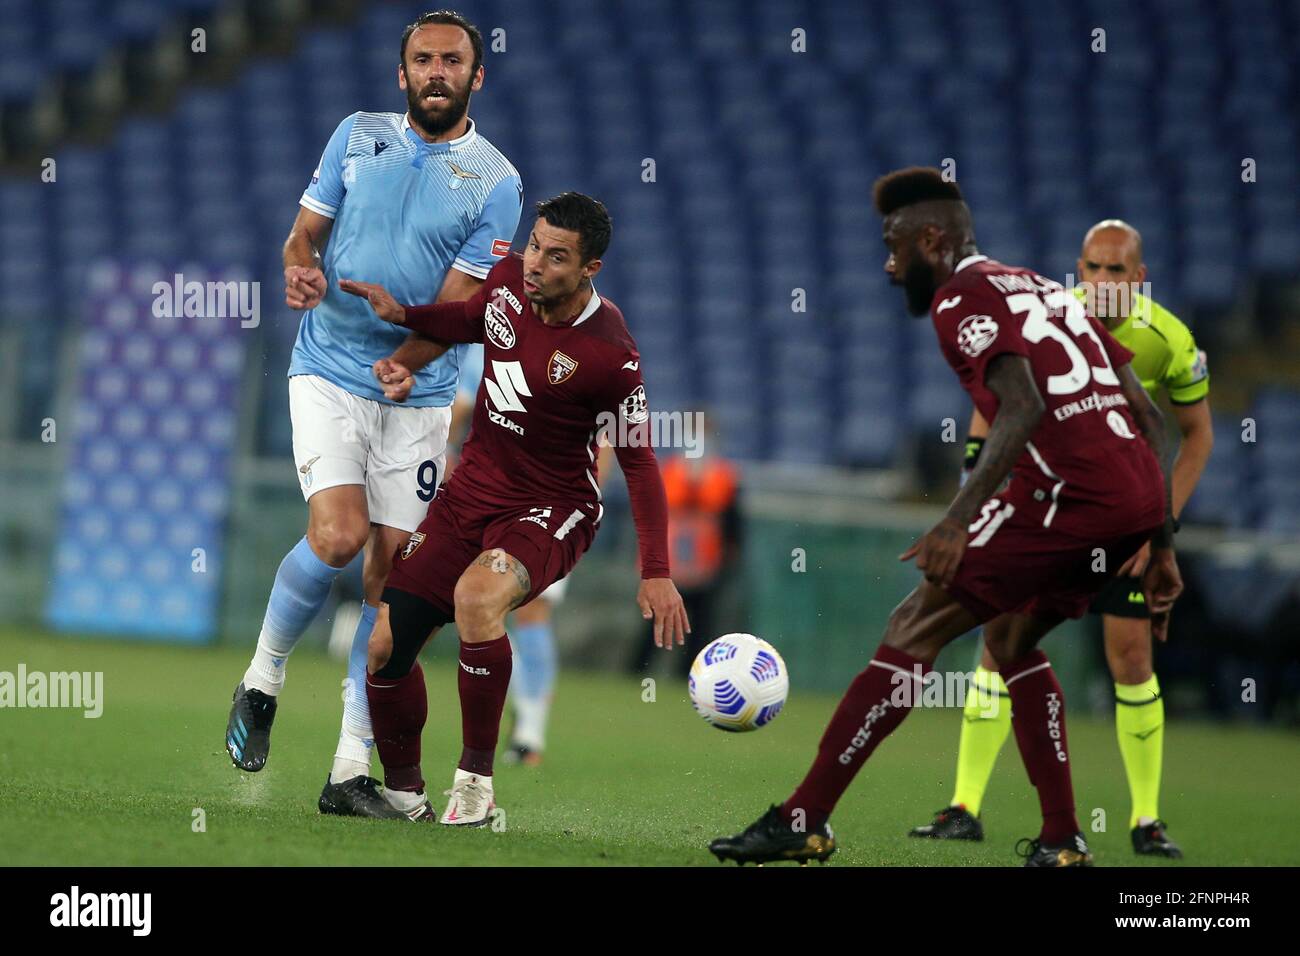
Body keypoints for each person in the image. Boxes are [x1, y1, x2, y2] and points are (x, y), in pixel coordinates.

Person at [709, 167, 1182, 867]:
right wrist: (1161, 542)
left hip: (1072, 497)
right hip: (1132, 498)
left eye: (896, 246)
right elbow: (1150, 420)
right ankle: (1061, 839)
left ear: (933, 239)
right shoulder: (1045, 288)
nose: (889, 264)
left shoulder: (962, 297)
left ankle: (802, 817)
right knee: (1014, 640)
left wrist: (957, 521)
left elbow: (1021, 407)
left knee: (913, 625)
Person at [223, 11, 524, 823]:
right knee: (337, 536)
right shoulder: (355, 136)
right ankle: (263, 680)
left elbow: (463, 304)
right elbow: (302, 237)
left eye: (451, 61)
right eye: (422, 59)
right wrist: (298, 273)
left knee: (396, 588)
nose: (435, 71)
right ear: (402, 74)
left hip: (418, 400)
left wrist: (410, 363)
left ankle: (350, 769)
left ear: (476, 76)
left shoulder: (495, 181)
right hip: (326, 372)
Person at [338, 192, 690, 824]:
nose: (534, 264)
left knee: (478, 599)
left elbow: (638, 464)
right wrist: (404, 313)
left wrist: (656, 569)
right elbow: (469, 318)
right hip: (471, 491)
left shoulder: (613, 355)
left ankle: (475, 788)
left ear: (590, 270)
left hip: (552, 507)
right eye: (534, 245)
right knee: (385, 645)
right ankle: (404, 793)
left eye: (556, 257)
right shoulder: (506, 280)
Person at [911, 220, 1212, 858]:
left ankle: (1146, 820)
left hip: (1121, 522)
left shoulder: (1169, 341)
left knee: (1130, 658)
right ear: (1079, 270)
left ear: (1139, 277)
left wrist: (1160, 528)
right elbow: (993, 402)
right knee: (999, 643)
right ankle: (964, 805)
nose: (1101, 282)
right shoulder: (1054, 315)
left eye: (1115, 271)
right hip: (1048, 517)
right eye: (1092, 268)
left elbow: (1195, 436)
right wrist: (978, 487)